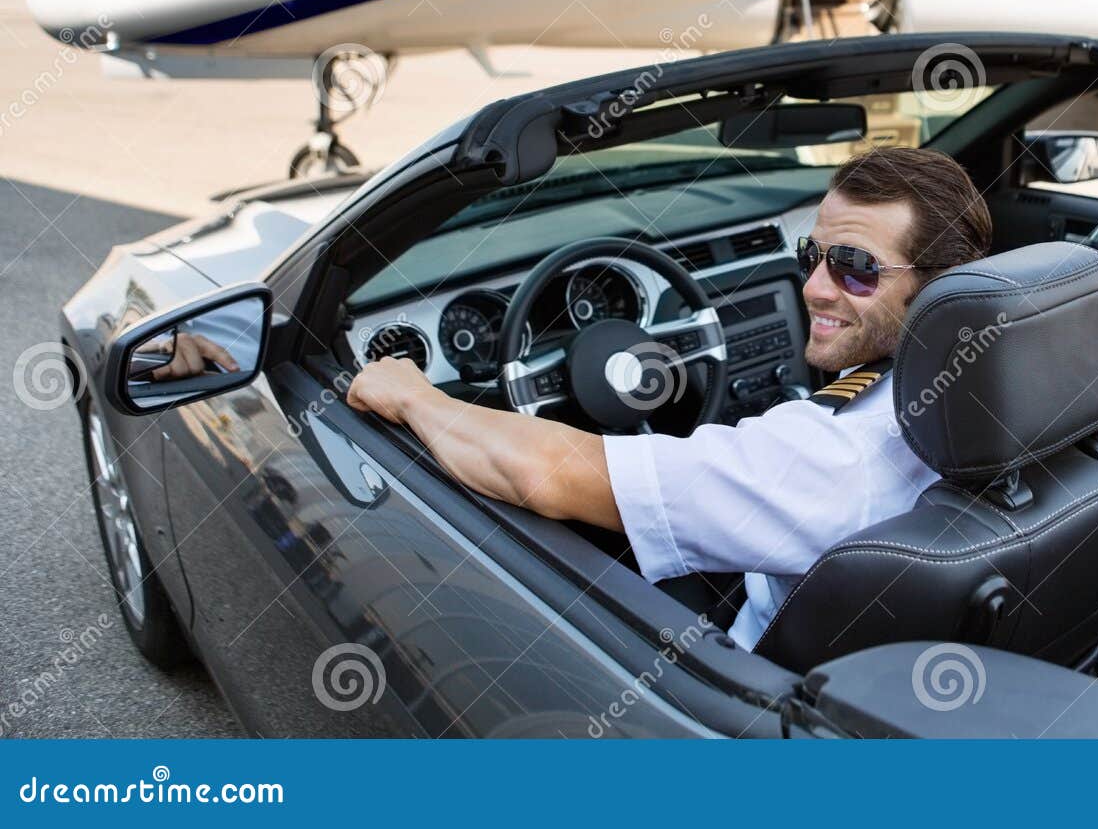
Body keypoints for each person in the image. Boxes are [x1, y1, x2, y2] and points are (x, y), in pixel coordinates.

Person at [345, 145, 994, 650]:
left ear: (942, 289)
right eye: (810, 254)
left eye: (855, 266)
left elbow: (545, 473)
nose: (816, 289)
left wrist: (413, 395)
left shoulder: (827, 458)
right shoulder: (1015, 382)